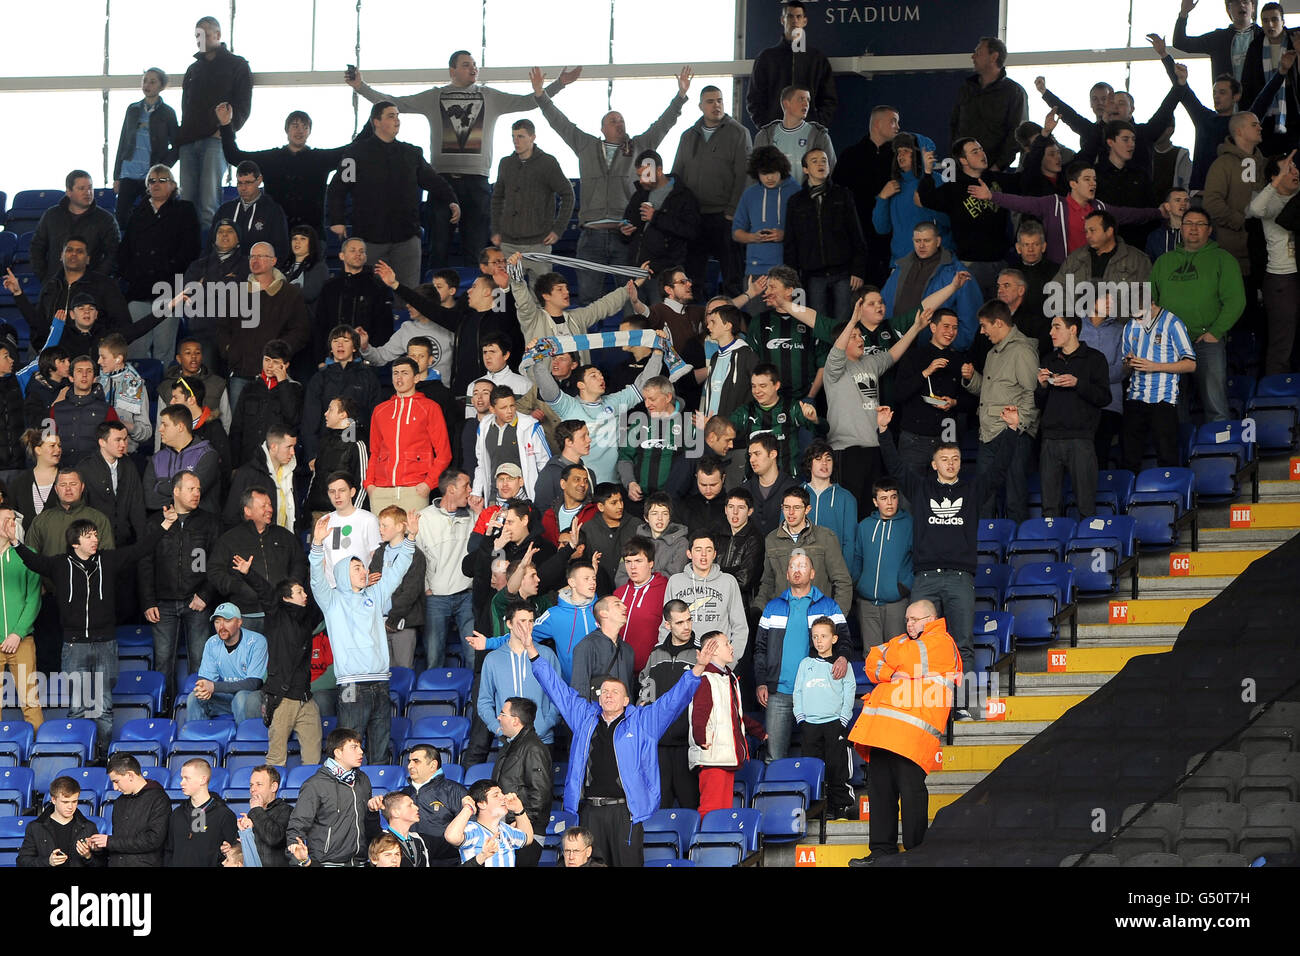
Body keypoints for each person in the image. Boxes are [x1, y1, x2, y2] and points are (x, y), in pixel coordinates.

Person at [347, 54, 578, 266]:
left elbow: (527, 101)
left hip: (477, 183)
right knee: (438, 248)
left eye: (475, 65)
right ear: (452, 71)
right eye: (466, 65)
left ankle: (475, 303)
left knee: (477, 249)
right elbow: (394, 102)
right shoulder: (434, 96)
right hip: (442, 183)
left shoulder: (490, 97)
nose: (473, 68)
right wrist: (360, 86)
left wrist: (559, 84)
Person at [529, 628, 722, 867]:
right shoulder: (583, 717)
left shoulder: (644, 721)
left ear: (626, 700)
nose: (608, 695)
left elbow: (673, 701)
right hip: (589, 810)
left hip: (625, 813)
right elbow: (556, 689)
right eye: (604, 692)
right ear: (598, 698)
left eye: (615, 692)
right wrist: (531, 649)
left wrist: (698, 668)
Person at [10, 507, 170, 757]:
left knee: (103, 706)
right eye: (88, 535)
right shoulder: (60, 564)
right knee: (77, 707)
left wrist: (165, 525)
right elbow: (33, 561)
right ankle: (79, 757)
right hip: (74, 645)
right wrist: (15, 542)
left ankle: (103, 757)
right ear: (75, 542)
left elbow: (140, 550)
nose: (95, 539)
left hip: (105, 642)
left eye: (95, 534)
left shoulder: (108, 560)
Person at [529, 65, 691, 302]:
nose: (620, 123)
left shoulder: (639, 146)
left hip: (624, 235)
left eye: (622, 120)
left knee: (627, 299)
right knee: (588, 299)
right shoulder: (585, 145)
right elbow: (559, 123)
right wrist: (541, 96)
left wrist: (680, 97)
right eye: (614, 120)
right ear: (602, 128)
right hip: (591, 236)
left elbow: (663, 125)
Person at [846, 599, 960, 865]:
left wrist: (889, 666)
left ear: (930, 620)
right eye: (907, 619)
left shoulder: (942, 642)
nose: (908, 624)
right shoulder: (901, 641)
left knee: (911, 793)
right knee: (880, 794)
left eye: (914, 620)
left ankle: (916, 853)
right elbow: (872, 658)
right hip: (882, 732)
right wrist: (890, 672)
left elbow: (908, 659)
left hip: (911, 735)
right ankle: (881, 852)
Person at [877, 413, 978, 695]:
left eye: (955, 458)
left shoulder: (971, 490)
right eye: (944, 459)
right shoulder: (921, 488)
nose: (950, 463)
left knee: (963, 644)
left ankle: (965, 705)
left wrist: (1012, 431)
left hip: (960, 577)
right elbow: (896, 467)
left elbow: (997, 471)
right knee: (918, 641)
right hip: (926, 579)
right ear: (933, 464)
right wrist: (884, 431)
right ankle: (924, 703)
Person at [310, 510, 415, 765]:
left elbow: (398, 571)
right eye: (356, 568)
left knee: (380, 743)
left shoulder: (375, 595)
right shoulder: (332, 600)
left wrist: (410, 539)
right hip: (351, 685)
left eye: (362, 567)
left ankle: (380, 789)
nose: (362, 571)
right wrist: (317, 544)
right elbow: (315, 578)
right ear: (344, 573)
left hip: (380, 682)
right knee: (350, 745)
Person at [327, 101, 460, 290]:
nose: (397, 120)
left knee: (408, 295)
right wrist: (337, 220)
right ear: (376, 122)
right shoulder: (355, 153)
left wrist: (452, 200)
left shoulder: (411, 153)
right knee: (368, 293)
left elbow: (434, 181)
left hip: (406, 237)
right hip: (369, 238)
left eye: (398, 116)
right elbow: (337, 189)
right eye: (391, 116)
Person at [824, 292, 932, 505]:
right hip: (847, 450)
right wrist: (854, 321)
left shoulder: (870, 362)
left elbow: (893, 354)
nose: (860, 339)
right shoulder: (833, 368)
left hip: (875, 447)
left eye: (860, 335)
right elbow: (837, 350)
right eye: (854, 336)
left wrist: (916, 328)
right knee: (852, 509)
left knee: (872, 508)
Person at [1149, 206, 1244, 424]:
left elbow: (1236, 301)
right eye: (1188, 223)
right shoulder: (1164, 262)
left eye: (1199, 224)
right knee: (1174, 405)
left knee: (1216, 403)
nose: (1193, 228)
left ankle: (1222, 452)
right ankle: (1182, 453)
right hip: (1170, 344)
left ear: (1209, 230)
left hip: (1206, 340)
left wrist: (1215, 332)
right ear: (1180, 229)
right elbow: (1149, 302)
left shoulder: (1222, 259)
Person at [754, 550, 851, 762]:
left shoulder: (828, 606)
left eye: (803, 566)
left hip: (815, 692)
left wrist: (842, 658)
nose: (797, 571)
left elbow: (844, 639)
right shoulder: (772, 608)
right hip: (778, 692)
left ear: (813, 573)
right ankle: (778, 796)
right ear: (787, 575)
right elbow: (760, 649)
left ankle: (817, 796)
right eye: (793, 567)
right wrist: (761, 682)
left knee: (819, 756)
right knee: (774, 756)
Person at [529, 334, 664, 485]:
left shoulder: (614, 402)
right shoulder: (569, 405)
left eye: (601, 376)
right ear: (581, 385)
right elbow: (549, 391)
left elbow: (643, 384)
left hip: (613, 485)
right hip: (582, 486)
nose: (601, 379)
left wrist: (658, 353)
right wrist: (538, 359)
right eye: (594, 376)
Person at [140, 470, 221, 709]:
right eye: (191, 489)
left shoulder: (210, 522)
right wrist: (147, 601)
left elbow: (217, 563)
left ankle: (197, 711)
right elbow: (144, 562)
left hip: (196, 602)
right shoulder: (156, 522)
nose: (197, 493)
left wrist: (206, 594)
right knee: (163, 662)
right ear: (176, 491)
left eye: (198, 489)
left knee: (200, 662)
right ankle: (163, 715)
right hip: (162, 603)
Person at [216, 104, 355, 235]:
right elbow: (234, 156)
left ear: (309, 132)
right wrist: (226, 125)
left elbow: (353, 148)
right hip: (276, 233)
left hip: (313, 235)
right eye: (295, 126)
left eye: (305, 127)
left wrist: (374, 121)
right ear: (286, 130)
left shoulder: (320, 159)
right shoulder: (271, 158)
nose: (300, 130)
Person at [961, 299, 1041, 523]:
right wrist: (971, 379)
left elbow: (1031, 394)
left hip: (1012, 434)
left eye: (984, 325)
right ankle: (987, 547)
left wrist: (1019, 426)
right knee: (985, 496)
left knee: (1015, 495)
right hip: (987, 433)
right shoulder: (992, 353)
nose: (982, 331)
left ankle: (1016, 552)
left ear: (998, 323)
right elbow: (989, 394)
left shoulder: (1023, 351)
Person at [673, 85, 751, 297]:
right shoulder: (688, 136)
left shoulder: (739, 133)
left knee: (732, 278)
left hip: (725, 216)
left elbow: (745, 175)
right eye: (710, 101)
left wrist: (733, 211)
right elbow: (677, 176)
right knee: (693, 279)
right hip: (694, 217)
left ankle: (734, 327)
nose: (716, 105)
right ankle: (696, 327)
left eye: (719, 100)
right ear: (700, 106)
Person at [117, 165, 200, 362]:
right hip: (139, 291)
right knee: (137, 349)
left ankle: (163, 392)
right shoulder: (137, 213)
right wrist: (132, 274)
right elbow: (125, 250)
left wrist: (168, 270)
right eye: (152, 180)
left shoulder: (185, 210)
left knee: (164, 350)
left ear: (173, 185)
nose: (156, 184)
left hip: (169, 291)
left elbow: (191, 250)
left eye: (162, 180)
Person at [178, 15, 253, 230]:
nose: (199, 40)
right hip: (189, 141)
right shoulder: (193, 70)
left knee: (208, 205)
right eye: (196, 36)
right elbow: (186, 106)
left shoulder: (237, 65)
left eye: (203, 34)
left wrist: (225, 132)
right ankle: (190, 258)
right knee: (187, 205)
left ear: (218, 35)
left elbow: (243, 105)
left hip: (215, 140)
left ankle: (208, 259)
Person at [917, 140, 1015, 298]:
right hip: (971, 263)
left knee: (999, 316)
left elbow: (1026, 180)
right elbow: (927, 199)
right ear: (963, 160)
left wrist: (1042, 137)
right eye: (974, 151)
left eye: (981, 149)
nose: (982, 153)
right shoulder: (953, 188)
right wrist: (927, 173)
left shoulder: (997, 179)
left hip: (1001, 262)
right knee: (974, 314)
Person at [1036, 315, 1112, 518]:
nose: (1051, 332)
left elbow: (1104, 397)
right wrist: (1042, 386)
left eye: (1057, 327)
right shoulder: (1048, 359)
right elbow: (1038, 403)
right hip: (1050, 439)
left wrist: (1078, 383)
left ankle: (1084, 547)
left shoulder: (1095, 359)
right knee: (1049, 508)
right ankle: (1049, 546)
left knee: (1086, 505)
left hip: (1081, 439)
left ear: (1073, 330)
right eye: (1051, 327)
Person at [220, 243, 310, 409]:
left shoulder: (290, 294)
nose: (255, 260)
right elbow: (222, 327)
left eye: (261, 256)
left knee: (275, 427)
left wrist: (279, 353)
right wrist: (230, 350)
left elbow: (300, 330)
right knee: (238, 429)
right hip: (241, 372)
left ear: (273, 261)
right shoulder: (236, 293)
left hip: (276, 375)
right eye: (252, 256)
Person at [783, 148, 867, 322]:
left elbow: (857, 234)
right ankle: (821, 350)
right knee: (817, 323)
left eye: (824, 160)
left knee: (844, 322)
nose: (820, 164)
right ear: (805, 169)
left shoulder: (843, 195)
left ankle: (842, 350)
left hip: (843, 270)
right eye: (814, 161)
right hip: (813, 273)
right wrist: (792, 278)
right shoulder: (796, 201)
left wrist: (858, 270)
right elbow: (791, 243)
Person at [9, 237, 131, 355]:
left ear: (88, 259)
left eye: (79, 251)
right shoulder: (51, 286)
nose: (74, 254)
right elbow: (38, 323)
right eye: (69, 250)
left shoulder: (105, 285)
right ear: (61, 256)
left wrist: (100, 350)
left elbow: (123, 324)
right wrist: (18, 294)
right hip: (53, 357)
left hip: (92, 357)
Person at [1120, 300, 1199, 474]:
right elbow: (1124, 369)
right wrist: (1128, 363)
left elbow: (1190, 364)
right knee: (1129, 459)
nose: (1137, 318)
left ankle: (1170, 498)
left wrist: (1154, 366)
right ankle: (1131, 499)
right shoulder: (1130, 326)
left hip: (1163, 398)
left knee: (1167, 457)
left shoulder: (1173, 323)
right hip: (1135, 396)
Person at [753, 485, 854, 621]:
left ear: (807, 509)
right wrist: (757, 613)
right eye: (786, 507)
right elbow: (767, 583)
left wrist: (835, 619)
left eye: (797, 507)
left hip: (818, 618)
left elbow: (842, 581)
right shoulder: (772, 539)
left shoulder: (826, 537)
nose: (791, 512)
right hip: (783, 618)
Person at [208, 487, 309, 623]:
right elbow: (215, 571)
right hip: (245, 615)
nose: (270, 509)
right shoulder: (229, 539)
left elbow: (299, 562)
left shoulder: (285, 536)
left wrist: (291, 586)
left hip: (281, 612)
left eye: (270, 505)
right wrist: (238, 588)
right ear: (247, 511)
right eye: (263, 506)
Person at [366, 357, 451, 515]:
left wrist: (427, 484)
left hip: (414, 489)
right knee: (382, 539)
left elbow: (444, 453)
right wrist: (370, 485)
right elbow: (374, 451)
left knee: (414, 538)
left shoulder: (430, 408)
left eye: (405, 373)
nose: (399, 378)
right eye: (395, 373)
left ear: (416, 378)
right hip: (381, 490)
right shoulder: (380, 410)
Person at [491, 118, 575, 277]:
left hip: (538, 243)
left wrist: (558, 229)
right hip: (509, 243)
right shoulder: (505, 163)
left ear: (532, 137)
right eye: (513, 137)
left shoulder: (547, 163)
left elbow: (568, 194)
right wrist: (496, 229)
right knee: (510, 296)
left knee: (540, 295)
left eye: (520, 136)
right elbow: (497, 198)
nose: (516, 141)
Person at [881, 221, 982, 353]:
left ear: (938, 241)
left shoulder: (957, 273)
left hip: (932, 350)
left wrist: (950, 347)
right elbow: (883, 303)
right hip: (894, 345)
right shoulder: (901, 266)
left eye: (927, 240)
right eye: (917, 241)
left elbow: (969, 316)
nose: (921, 245)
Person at [638, 600, 701, 810]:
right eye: (680, 622)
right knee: (660, 806)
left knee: (690, 805)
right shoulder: (655, 656)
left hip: (688, 744)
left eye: (689, 620)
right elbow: (644, 696)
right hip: (660, 745)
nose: (687, 627)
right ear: (668, 625)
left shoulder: (700, 656)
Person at [286, 727, 379, 867]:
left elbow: (367, 825)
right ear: (338, 752)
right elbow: (297, 826)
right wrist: (298, 858)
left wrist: (372, 811)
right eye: (354, 747)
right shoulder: (315, 785)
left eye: (360, 747)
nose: (361, 752)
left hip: (359, 862)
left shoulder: (363, 780)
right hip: (327, 863)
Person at [794, 615, 857, 819]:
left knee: (836, 767)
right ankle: (818, 809)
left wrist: (844, 719)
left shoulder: (841, 665)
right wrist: (801, 718)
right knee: (812, 769)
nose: (819, 641)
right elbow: (798, 692)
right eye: (815, 637)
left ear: (834, 639)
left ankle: (842, 805)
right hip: (810, 725)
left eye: (823, 636)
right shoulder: (805, 664)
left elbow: (850, 690)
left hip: (834, 724)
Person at [414, 469, 477, 670]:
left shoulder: (474, 515)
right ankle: (434, 700)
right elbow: (415, 557)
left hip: (467, 594)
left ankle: (474, 700)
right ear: (451, 489)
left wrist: (480, 513)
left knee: (473, 654)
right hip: (436, 598)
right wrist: (425, 587)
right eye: (466, 485)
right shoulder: (423, 518)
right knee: (433, 657)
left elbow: (487, 548)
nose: (471, 490)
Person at [477, 598, 561, 744]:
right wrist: (498, 729)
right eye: (522, 621)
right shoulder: (493, 659)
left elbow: (558, 696)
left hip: (542, 739)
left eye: (530, 621)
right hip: (507, 741)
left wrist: (545, 726)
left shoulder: (546, 655)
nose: (527, 626)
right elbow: (484, 701)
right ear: (509, 623)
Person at [689, 631, 752, 817]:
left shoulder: (728, 678)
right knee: (711, 809)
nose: (731, 647)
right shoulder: (706, 678)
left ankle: (720, 844)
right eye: (726, 644)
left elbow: (735, 714)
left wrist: (758, 730)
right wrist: (702, 739)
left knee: (723, 810)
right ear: (714, 650)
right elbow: (699, 712)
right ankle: (707, 844)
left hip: (724, 755)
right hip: (712, 755)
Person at [747, 1, 837, 128]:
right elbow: (754, 99)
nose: (794, 20)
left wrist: (815, 126)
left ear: (804, 21)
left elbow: (828, 100)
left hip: (808, 135)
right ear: (782, 20)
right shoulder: (767, 58)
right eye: (790, 16)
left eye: (798, 16)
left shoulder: (817, 59)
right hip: (775, 135)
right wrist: (767, 127)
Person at [1250, 152, 1300, 375]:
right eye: (1287, 169)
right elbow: (1254, 210)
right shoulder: (1269, 200)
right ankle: (1277, 397)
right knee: (1282, 340)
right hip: (1282, 276)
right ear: (1274, 177)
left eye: (1296, 167)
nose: (1295, 172)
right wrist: (1276, 183)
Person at [849, 478, 913, 652]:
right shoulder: (864, 526)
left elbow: (917, 559)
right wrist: (858, 584)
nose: (890, 503)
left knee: (897, 656)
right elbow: (857, 557)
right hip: (867, 602)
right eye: (884, 498)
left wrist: (904, 587)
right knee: (872, 657)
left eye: (893, 497)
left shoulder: (909, 525)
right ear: (875, 502)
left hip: (896, 602)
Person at [619, 149, 701, 283]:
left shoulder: (684, 196)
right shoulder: (639, 195)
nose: (641, 180)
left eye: (646, 175)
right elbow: (628, 222)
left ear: (659, 171)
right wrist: (624, 231)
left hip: (665, 273)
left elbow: (691, 231)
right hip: (637, 268)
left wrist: (656, 217)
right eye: (639, 176)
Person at [1203, 111, 1266, 286]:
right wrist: (1241, 221)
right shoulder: (1223, 164)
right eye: (1254, 125)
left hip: (1265, 253)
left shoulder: (1264, 164)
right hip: (1235, 255)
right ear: (1239, 131)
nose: (1260, 128)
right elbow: (1211, 203)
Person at [112, 68, 180, 229]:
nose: (147, 85)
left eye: (152, 81)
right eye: (145, 81)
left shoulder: (167, 112)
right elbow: (123, 142)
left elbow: (177, 146)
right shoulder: (132, 109)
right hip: (128, 171)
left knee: (149, 216)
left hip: (150, 174)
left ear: (161, 86)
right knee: (121, 215)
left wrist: (162, 168)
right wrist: (116, 175)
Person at [950, 37, 1029, 173]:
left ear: (994, 57)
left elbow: (1016, 133)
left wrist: (998, 166)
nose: (973, 56)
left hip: (994, 172)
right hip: (962, 170)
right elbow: (954, 125)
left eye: (978, 53)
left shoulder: (1014, 92)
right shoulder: (966, 89)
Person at [665, 530, 750, 656]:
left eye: (709, 550)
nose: (703, 555)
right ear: (689, 553)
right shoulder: (675, 581)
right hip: (682, 656)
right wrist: (667, 656)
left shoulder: (728, 582)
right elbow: (665, 625)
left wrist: (731, 661)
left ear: (715, 554)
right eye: (698, 549)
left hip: (717, 660)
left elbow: (740, 627)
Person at [491, 696, 552, 866]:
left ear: (516, 721)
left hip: (523, 832)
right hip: (509, 828)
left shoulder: (533, 748)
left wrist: (521, 821)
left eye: (503, 714)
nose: (498, 717)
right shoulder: (509, 745)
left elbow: (540, 793)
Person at [313, 240, 396, 363]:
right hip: (332, 359)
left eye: (362, 251)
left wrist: (370, 356)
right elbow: (320, 325)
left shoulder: (378, 287)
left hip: (366, 359)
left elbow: (384, 326)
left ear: (366, 257)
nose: (358, 254)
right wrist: (320, 360)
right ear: (341, 255)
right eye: (353, 250)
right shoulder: (329, 287)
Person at [31, 171, 120, 282]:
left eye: (90, 188)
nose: (88, 192)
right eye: (81, 188)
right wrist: (45, 277)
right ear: (69, 192)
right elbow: (37, 247)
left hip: (92, 289)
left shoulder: (106, 219)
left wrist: (95, 280)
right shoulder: (51, 215)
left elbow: (113, 254)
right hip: (55, 286)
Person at [186, 603, 268, 725]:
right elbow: (205, 680)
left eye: (227, 621)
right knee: (194, 698)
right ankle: (199, 742)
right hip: (227, 698)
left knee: (240, 698)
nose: (221, 626)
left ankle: (244, 742)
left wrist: (214, 687)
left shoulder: (257, 641)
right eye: (217, 622)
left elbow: (254, 683)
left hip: (253, 698)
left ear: (239, 622)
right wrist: (203, 688)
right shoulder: (212, 643)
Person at [369, 505, 426, 670]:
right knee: (382, 672)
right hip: (379, 623)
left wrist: (393, 619)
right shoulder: (379, 553)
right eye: (379, 525)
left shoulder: (416, 555)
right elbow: (373, 584)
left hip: (403, 624)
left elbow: (411, 591)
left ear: (401, 527)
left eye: (384, 526)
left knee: (403, 671)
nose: (380, 529)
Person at [0, 505, 42, 731]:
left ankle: (37, 751)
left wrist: (18, 632)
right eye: (5, 519)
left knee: (30, 700)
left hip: (22, 640)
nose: (11, 523)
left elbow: (34, 599)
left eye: (12, 519)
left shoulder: (28, 555)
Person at [86, 754, 170, 867]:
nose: (115, 787)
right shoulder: (119, 801)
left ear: (130, 775)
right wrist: (101, 847)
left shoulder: (159, 799)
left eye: (116, 781)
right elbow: (120, 842)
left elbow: (153, 840)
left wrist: (109, 842)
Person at [733, 148, 799, 284]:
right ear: (757, 173)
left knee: (789, 306)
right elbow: (736, 233)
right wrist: (753, 237)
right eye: (764, 173)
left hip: (789, 268)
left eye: (773, 172)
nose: (769, 178)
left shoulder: (796, 191)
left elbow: (808, 231)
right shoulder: (750, 194)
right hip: (756, 269)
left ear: (781, 169)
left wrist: (785, 235)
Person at [399, 744, 470, 867]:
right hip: (411, 862)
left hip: (448, 862)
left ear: (433, 765)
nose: (410, 766)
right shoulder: (403, 794)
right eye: (409, 761)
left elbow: (470, 831)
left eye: (416, 761)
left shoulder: (455, 791)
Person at [144, 404, 221, 514]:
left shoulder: (207, 455)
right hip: (164, 526)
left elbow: (193, 495)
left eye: (165, 425)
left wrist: (160, 486)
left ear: (180, 427)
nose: (160, 429)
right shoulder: (157, 458)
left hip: (199, 527)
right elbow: (149, 500)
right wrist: (181, 495)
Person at [753, 86, 836, 188]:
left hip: (807, 201)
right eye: (801, 99)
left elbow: (831, 171)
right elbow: (754, 174)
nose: (806, 104)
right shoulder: (764, 136)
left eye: (808, 100)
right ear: (786, 103)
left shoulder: (819, 136)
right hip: (774, 200)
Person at [225, 422, 302, 532]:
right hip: (255, 545)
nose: (293, 452)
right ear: (273, 447)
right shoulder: (247, 474)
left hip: (285, 543)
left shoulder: (289, 472)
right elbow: (231, 516)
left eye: (294, 447)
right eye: (289, 447)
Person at [164, 758, 239, 867]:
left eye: (187, 778)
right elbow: (169, 850)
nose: (181, 782)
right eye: (182, 778)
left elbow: (233, 854)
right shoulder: (177, 813)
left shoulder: (224, 815)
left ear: (203, 779)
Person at [211, 159, 290, 262]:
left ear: (259, 180)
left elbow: (281, 249)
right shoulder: (225, 210)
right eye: (239, 183)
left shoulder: (273, 211)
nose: (243, 188)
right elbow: (211, 244)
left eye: (248, 183)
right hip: (223, 271)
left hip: (258, 272)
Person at [15, 775, 102, 868]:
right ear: (53, 800)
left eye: (74, 801)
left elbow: (102, 863)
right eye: (65, 802)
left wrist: (88, 856)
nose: (71, 807)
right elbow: (22, 862)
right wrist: (48, 862)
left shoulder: (89, 827)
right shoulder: (35, 827)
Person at [444, 780, 535, 867]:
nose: (503, 797)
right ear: (482, 804)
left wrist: (519, 809)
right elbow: (451, 836)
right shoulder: (473, 829)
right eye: (496, 795)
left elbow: (527, 838)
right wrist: (468, 807)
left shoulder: (505, 829)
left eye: (502, 793)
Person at [1173, 0, 1264, 85]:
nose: (1241, 5)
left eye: (1245, 1)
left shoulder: (1263, 36)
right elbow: (1180, 42)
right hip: (1226, 100)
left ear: (1253, 7)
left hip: (1260, 99)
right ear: (1228, 9)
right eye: (1236, 2)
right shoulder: (1218, 38)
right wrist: (1183, 13)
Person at [612, 536, 670, 669]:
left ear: (651, 563)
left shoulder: (665, 590)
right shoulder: (619, 593)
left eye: (638, 561)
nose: (632, 567)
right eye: (628, 562)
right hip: (619, 669)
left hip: (651, 669)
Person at [699, 303, 759, 422]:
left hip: (733, 431)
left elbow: (756, 394)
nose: (709, 326)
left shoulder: (747, 355)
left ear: (727, 326)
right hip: (712, 429)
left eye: (713, 322)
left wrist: (739, 422)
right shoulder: (715, 356)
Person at [741, 433, 799, 537]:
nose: (751, 460)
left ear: (772, 454)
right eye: (750, 455)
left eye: (757, 454)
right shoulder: (745, 490)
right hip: (752, 551)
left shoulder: (793, 488)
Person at [233, 765, 292, 867]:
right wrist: (233, 846)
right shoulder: (253, 813)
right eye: (251, 785)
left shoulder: (287, 811)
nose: (252, 789)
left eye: (259, 784)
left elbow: (273, 838)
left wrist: (256, 810)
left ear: (273, 787)